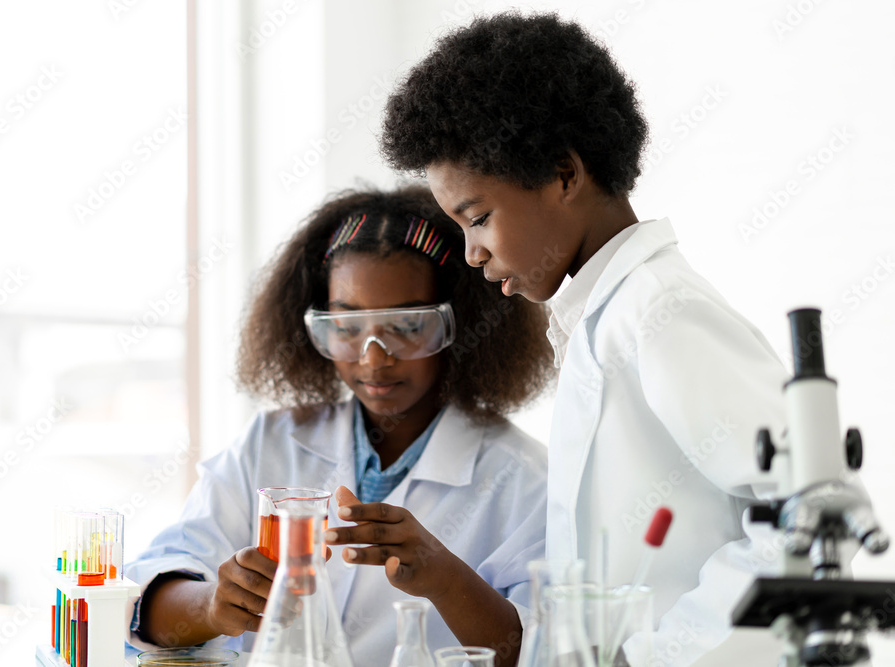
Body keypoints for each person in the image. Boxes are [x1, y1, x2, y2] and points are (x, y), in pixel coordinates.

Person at [379, 13, 791, 665]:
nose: (473, 252)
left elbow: (802, 516)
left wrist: (658, 654)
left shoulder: (659, 309)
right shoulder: (601, 315)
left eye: (479, 217)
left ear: (565, 175)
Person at [125, 185, 555, 666]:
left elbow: (550, 653)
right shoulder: (270, 443)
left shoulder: (525, 477)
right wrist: (213, 606)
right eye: (347, 328)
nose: (374, 358)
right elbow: (144, 601)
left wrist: (445, 578)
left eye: (406, 326)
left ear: (460, 323)